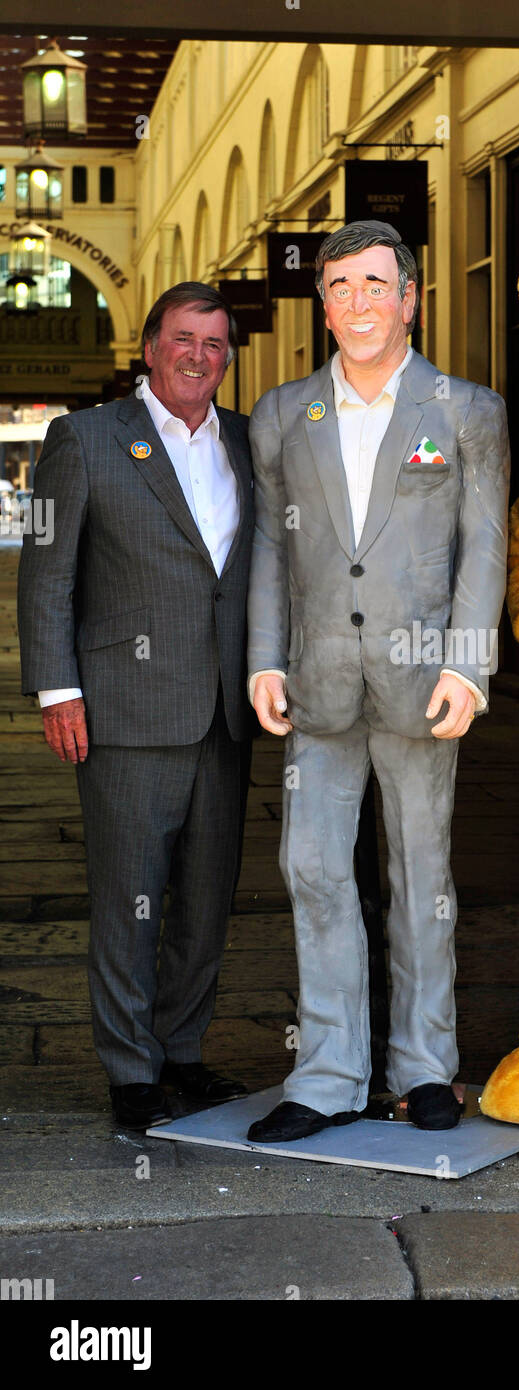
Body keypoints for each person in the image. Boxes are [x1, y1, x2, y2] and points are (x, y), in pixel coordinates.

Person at [247, 220, 510, 1141]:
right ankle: (324, 1075)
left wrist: (470, 667)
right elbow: (272, 548)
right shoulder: (283, 413)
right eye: (340, 289)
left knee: (420, 872)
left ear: (412, 300)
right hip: (316, 680)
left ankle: (424, 1068)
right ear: (323, 308)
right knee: (311, 868)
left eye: (374, 285)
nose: (357, 303)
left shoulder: (466, 409)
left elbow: (485, 545)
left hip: (420, 683)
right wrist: (264, 658)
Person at [18, 283, 255, 1130]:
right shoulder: (84, 439)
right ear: (151, 347)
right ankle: (131, 1072)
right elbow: (46, 572)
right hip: (126, 708)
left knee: (204, 896)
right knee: (130, 896)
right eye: (184, 339)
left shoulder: (246, 440)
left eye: (216, 343)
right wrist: (58, 689)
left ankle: (182, 1055)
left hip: (227, 710)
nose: (199, 356)